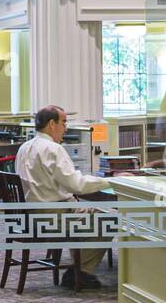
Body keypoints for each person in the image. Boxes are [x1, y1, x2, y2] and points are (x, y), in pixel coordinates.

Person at [14, 104, 112, 289]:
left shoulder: (24, 148)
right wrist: (110, 181)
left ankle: (78, 267)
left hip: (29, 216)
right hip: (52, 216)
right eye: (64, 122)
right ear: (52, 124)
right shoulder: (53, 149)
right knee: (109, 220)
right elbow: (77, 185)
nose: (66, 128)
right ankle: (80, 272)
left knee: (92, 213)